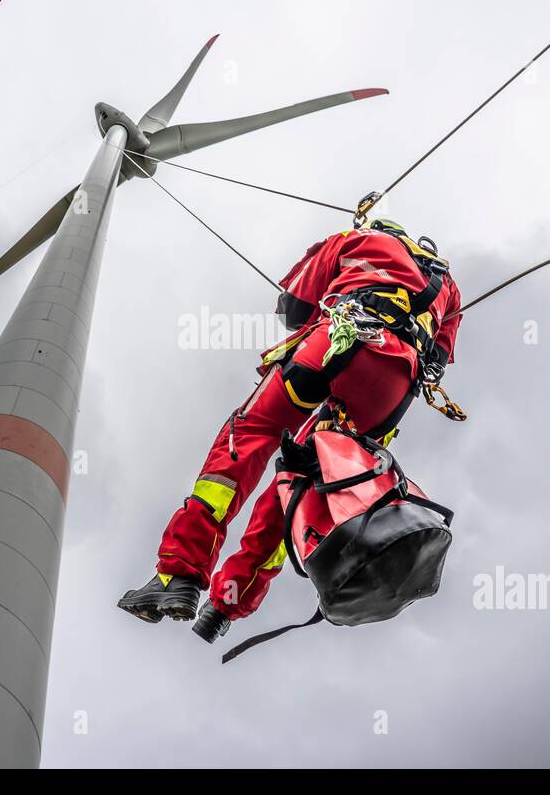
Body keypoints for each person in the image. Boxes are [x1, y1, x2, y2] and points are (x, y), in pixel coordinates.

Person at [118, 209, 462, 643]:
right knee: (299, 487)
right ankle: (227, 604)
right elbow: (439, 359)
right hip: (392, 390)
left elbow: (294, 306)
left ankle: (178, 575)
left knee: (250, 436)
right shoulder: (448, 287)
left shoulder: (360, 240)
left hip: (339, 342)